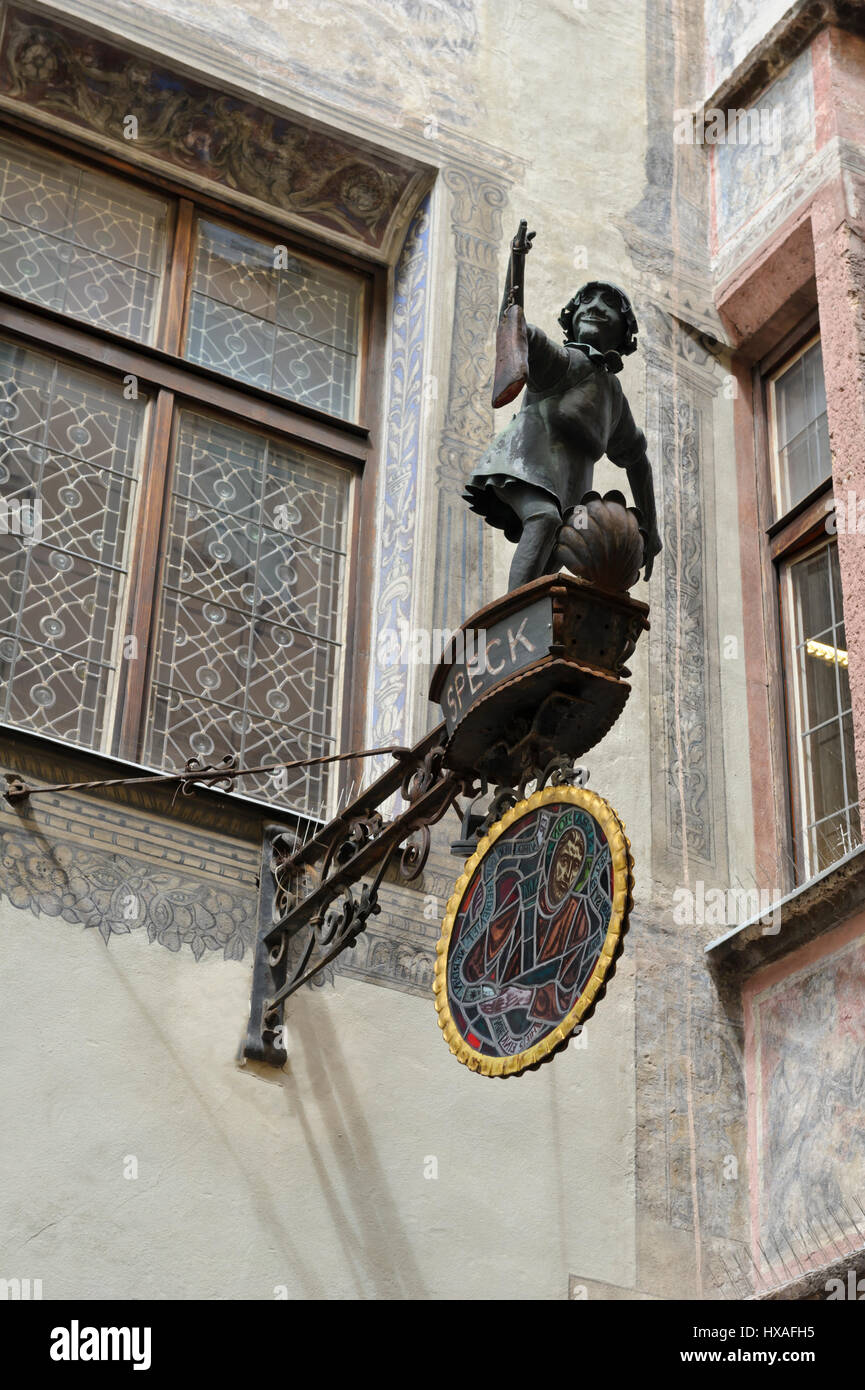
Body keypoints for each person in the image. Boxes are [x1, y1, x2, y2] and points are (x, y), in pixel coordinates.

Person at [463, 280, 662, 591]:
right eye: (586, 300)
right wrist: (514, 286)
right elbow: (518, 331)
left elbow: (638, 462)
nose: (595, 306)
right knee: (543, 519)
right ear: (573, 318)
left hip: (570, 497)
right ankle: (515, 616)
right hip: (524, 467)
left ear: (624, 331)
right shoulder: (564, 359)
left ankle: (530, 624)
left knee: (550, 564)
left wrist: (651, 529)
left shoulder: (613, 394)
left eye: (608, 303)